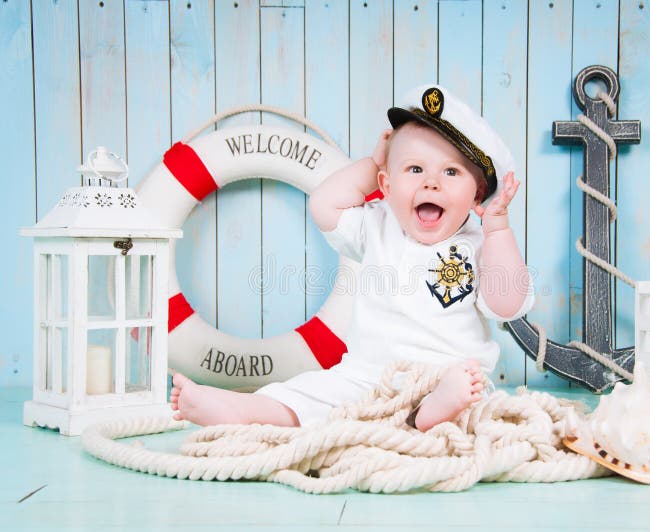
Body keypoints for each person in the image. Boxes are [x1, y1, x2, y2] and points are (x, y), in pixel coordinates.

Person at [170, 85, 534, 432]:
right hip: (368, 376)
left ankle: (430, 413)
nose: (431, 183)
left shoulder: (480, 245)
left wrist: (498, 229)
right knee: (308, 393)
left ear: (477, 195)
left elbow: (507, 305)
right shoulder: (377, 224)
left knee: (470, 398)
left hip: (447, 376)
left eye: (451, 172)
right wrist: (374, 163)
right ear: (386, 185)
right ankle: (243, 409)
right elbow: (324, 205)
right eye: (414, 169)